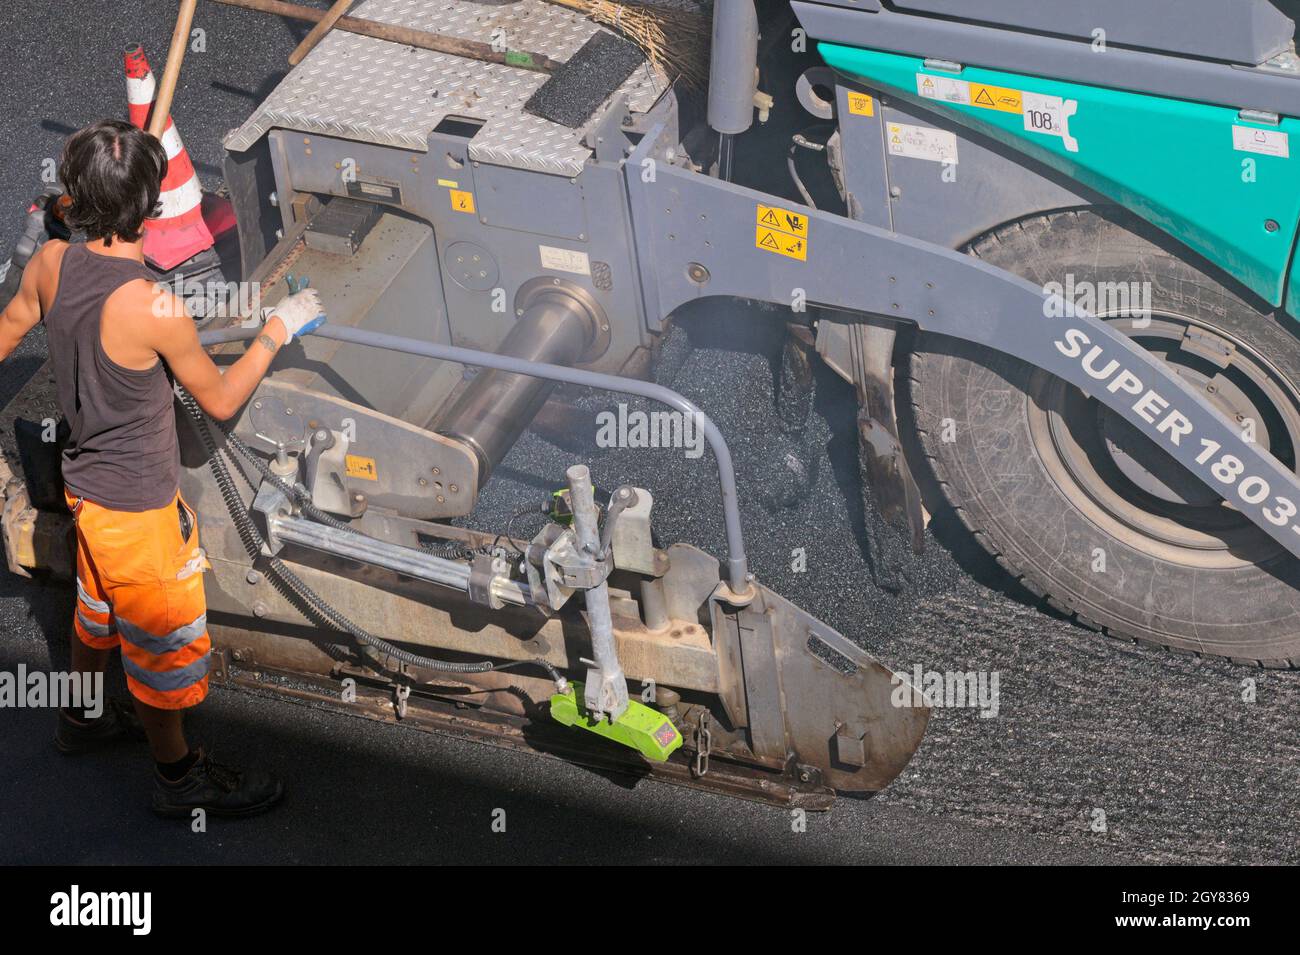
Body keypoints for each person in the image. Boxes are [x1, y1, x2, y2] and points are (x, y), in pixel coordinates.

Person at [0, 119, 324, 818]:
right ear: (150, 208)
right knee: (161, 649)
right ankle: (179, 778)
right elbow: (221, 395)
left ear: (73, 199)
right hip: (141, 512)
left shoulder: (49, 267)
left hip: (84, 493)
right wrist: (277, 329)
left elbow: (6, 328)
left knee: (95, 612)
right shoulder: (154, 306)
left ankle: (79, 720)